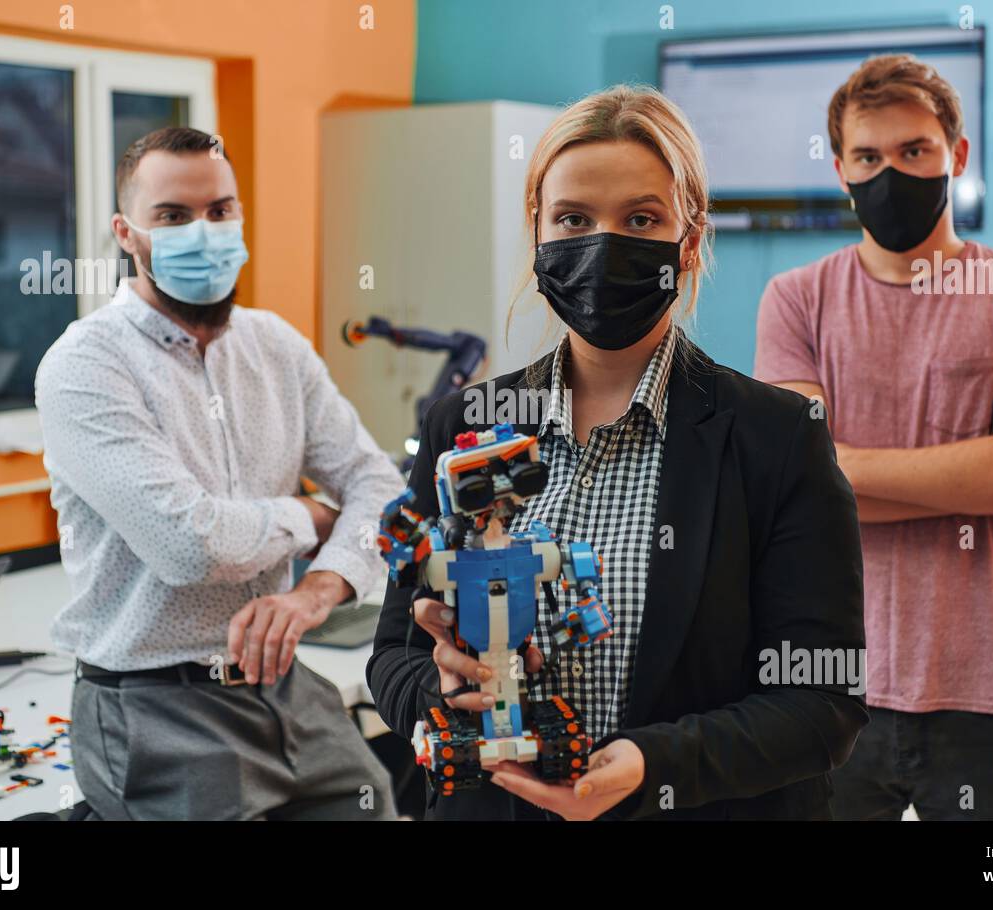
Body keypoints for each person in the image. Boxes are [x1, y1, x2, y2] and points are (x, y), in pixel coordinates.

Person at [367, 85, 867, 821]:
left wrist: (653, 765)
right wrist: (443, 689)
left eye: (641, 218)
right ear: (537, 237)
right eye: (572, 218)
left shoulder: (776, 438)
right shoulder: (463, 426)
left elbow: (822, 702)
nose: (603, 243)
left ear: (688, 241)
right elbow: (393, 654)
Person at [755, 55, 993, 820]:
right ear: (839, 167)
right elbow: (789, 495)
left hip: (989, 684)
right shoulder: (795, 300)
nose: (889, 174)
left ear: (957, 157)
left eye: (915, 152)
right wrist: (992, 486)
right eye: (869, 157)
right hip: (829, 681)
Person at [36, 126, 403, 820]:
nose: (202, 232)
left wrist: (317, 592)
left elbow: (379, 483)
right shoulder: (85, 367)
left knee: (373, 803)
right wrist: (314, 518)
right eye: (172, 216)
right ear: (126, 232)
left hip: (285, 684)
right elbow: (193, 545)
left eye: (219, 211)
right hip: (152, 704)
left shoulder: (276, 347)